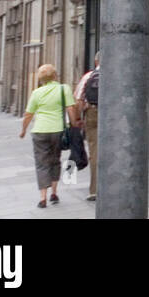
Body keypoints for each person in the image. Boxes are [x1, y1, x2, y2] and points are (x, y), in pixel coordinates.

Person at [19, 64, 80, 209]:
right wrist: (74, 124)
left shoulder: (36, 93)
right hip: (57, 131)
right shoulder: (63, 88)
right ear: (55, 76)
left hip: (39, 131)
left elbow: (28, 114)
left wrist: (23, 130)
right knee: (55, 160)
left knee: (41, 164)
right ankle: (54, 192)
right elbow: (71, 108)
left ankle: (42, 198)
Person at [74, 52, 100, 201]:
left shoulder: (89, 76)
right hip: (113, 115)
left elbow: (78, 99)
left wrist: (78, 119)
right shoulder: (115, 73)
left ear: (96, 62)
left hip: (92, 113)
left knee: (95, 151)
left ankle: (94, 190)